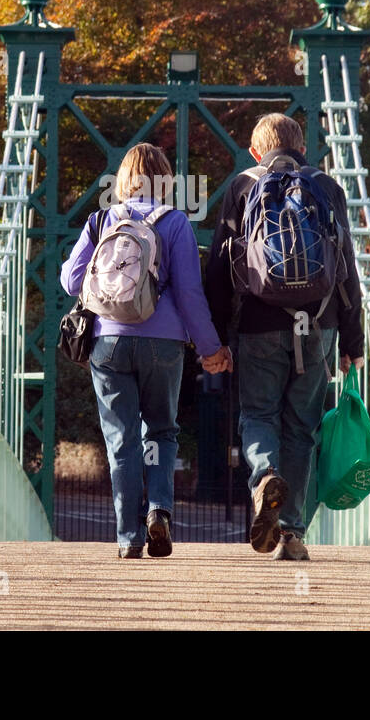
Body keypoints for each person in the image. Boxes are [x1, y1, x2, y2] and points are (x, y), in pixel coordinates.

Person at [61, 143, 232, 559]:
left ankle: (128, 537)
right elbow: (191, 295)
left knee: (121, 439)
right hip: (163, 343)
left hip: (107, 341)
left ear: (123, 179)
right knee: (160, 430)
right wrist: (210, 349)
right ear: (166, 180)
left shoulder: (100, 219)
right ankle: (159, 509)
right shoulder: (175, 223)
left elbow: (70, 281)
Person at [205, 114, 364, 561]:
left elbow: (218, 271)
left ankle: (264, 475)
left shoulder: (242, 185)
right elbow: (347, 270)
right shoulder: (327, 186)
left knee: (258, 413)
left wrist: (215, 340)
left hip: (259, 325)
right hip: (320, 325)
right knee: (302, 428)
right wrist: (354, 342)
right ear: (302, 149)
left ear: (257, 152)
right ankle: (291, 533)